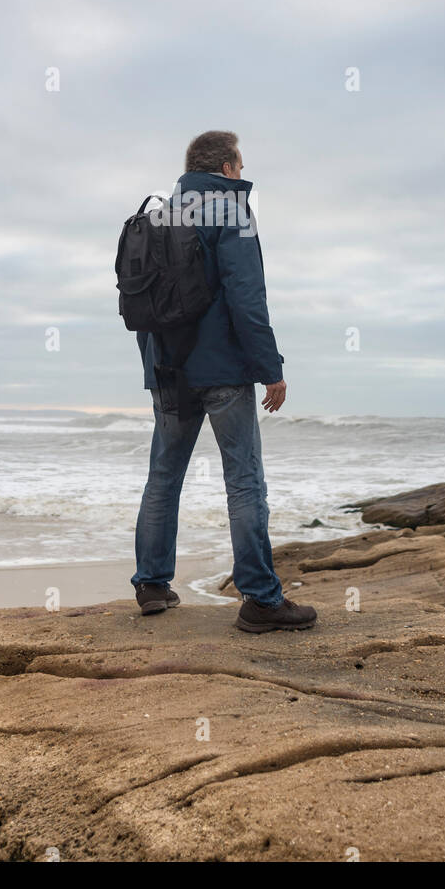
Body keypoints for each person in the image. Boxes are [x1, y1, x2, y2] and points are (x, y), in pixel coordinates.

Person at [130, 130, 317, 633]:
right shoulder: (231, 211)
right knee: (244, 482)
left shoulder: (161, 213)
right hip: (223, 373)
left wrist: (156, 367)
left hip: (168, 371)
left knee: (164, 477)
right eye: (241, 164)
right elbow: (247, 298)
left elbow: (143, 303)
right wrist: (270, 369)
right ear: (229, 167)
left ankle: (150, 585)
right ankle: (260, 599)